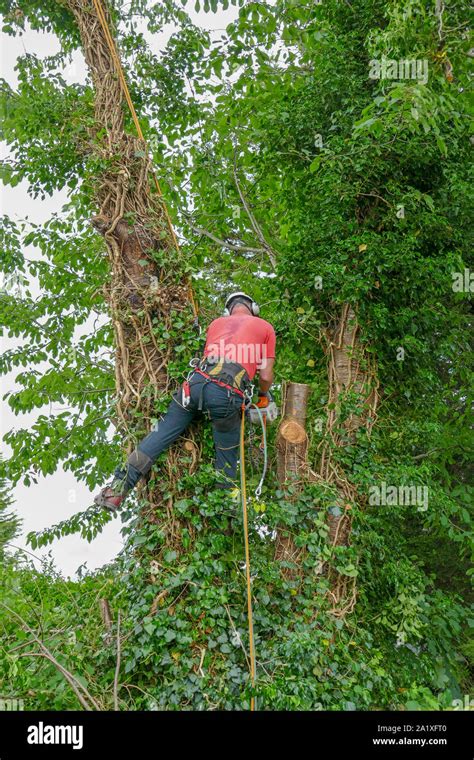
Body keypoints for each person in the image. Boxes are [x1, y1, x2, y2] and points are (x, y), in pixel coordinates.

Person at [94, 292, 276, 511]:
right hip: (226, 393)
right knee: (227, 451)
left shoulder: (216, 324)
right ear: (253, 308)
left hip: (194, 385)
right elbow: (265, 376)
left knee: (160, 434)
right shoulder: (265, 327)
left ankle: (117, 490)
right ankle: (224, 510)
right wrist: (264, 396)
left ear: (228, 310)